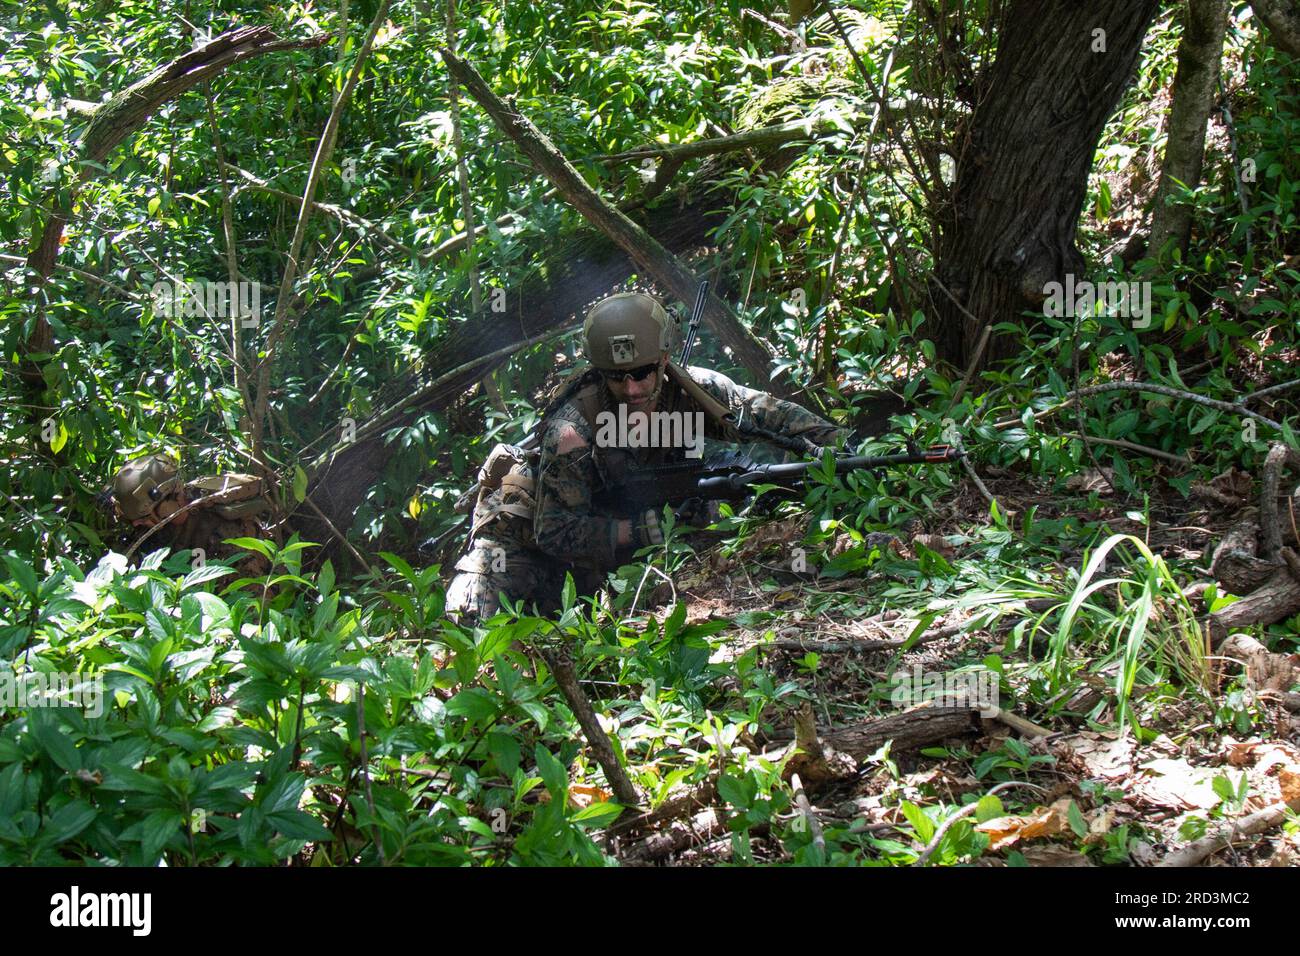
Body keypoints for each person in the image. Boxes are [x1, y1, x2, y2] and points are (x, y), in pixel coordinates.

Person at [445, 291, 843, 620]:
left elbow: (773, 416)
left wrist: (841, 444)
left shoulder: (696, 391)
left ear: (664, 361)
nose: (632, 388)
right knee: (475, 608)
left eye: (643, 372)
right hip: (536, 551)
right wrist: (633, 532)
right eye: (617, 377)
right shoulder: (572, 431)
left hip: (630, 546)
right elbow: (552, 531)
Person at [107, 454, 279, 577]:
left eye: (145, 517)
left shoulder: (222, 528)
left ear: (171, 498)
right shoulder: (156, 530)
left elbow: (253, 596)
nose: (139, 524)